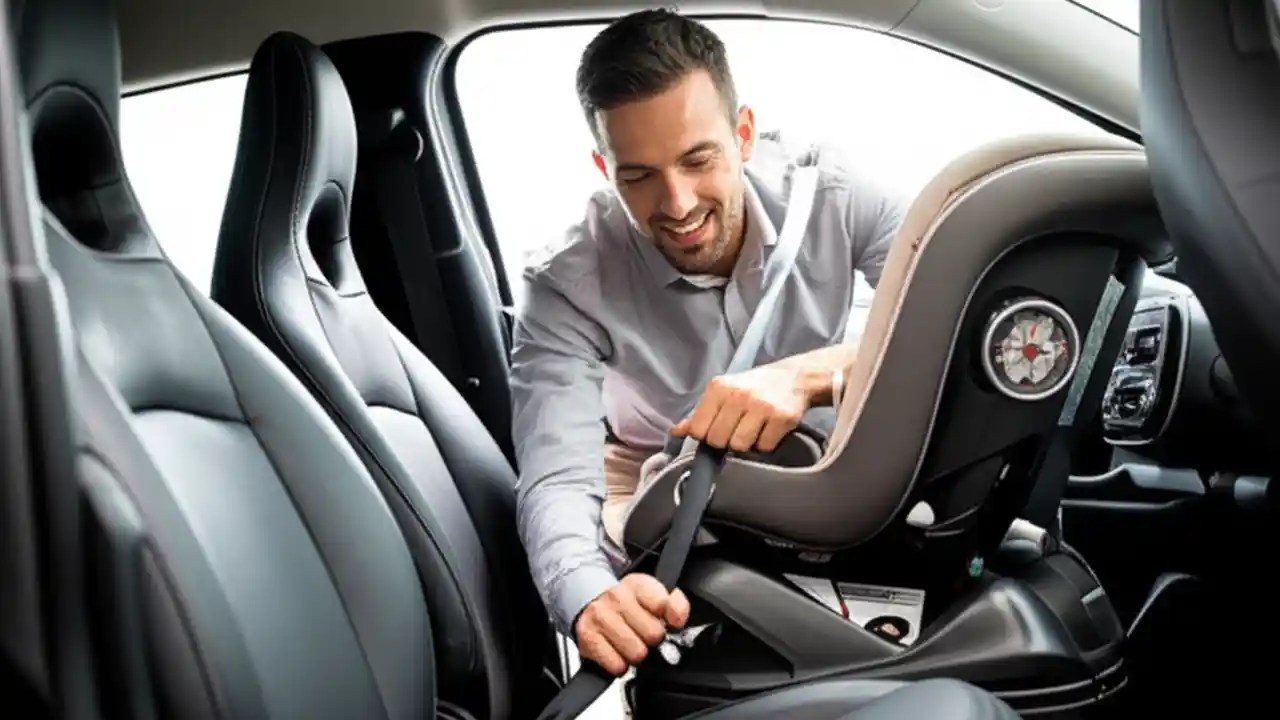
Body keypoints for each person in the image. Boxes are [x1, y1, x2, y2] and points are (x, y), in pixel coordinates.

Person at [509, 8, 907, 678]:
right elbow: (557, 474)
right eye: (638, 176)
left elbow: (948, 322)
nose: (677, 203)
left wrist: (812, 375)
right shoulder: (565, 283)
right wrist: (589, 597)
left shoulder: (836, 198)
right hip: (665, 509)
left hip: (827, 486)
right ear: (604, 167)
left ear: (743, 134)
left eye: (699, 159)